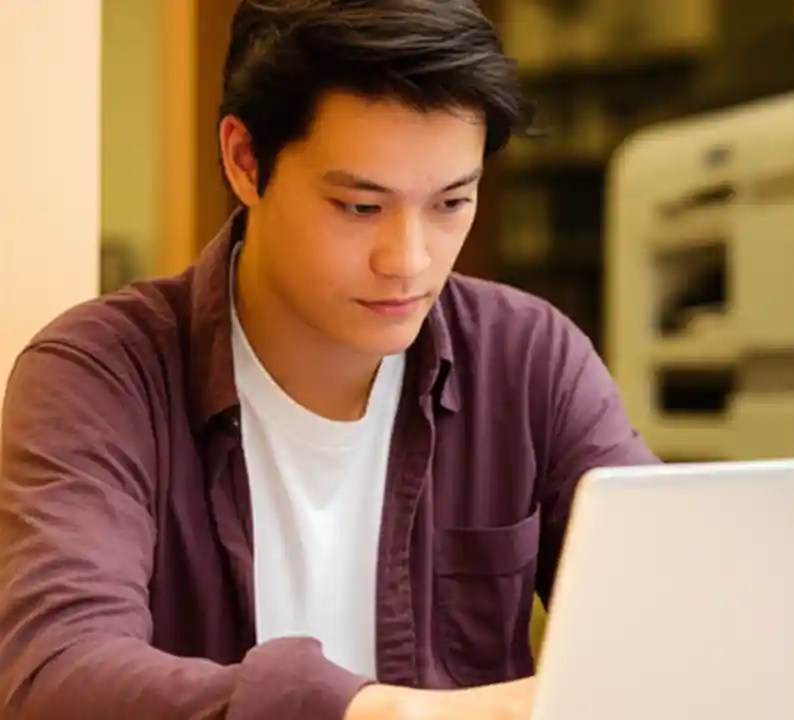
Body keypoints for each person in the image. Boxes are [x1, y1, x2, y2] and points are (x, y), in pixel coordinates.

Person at [0, 1, 658, 718]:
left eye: (450, 204)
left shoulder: (529, 360)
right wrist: (392, 712)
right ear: (245, 160)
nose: (408, 262)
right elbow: (54, 676)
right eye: (359, 207)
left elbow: (676, 616)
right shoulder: (100, 374)